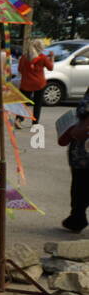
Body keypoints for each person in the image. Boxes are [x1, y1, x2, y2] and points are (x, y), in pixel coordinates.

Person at [57, 92, 89, 233]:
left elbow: (85, 111)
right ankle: (77, 217)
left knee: (81, 183)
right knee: (81, 183)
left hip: (84, 151)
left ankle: (77, 218)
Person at [17, 38, 53, 128]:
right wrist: (52, 58)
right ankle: (35, 123)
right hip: (39, 84)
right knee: (37, 104)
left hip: (25, 83)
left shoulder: (24, 57)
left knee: (23, 103)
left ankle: (18, 119)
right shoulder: (43, 57)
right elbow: (50, 67)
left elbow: (19, 69)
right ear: (40, 48)